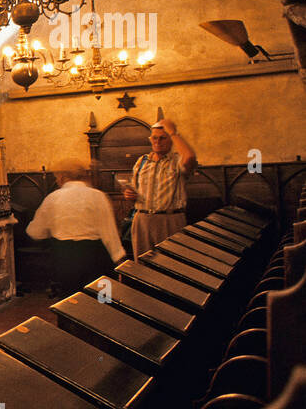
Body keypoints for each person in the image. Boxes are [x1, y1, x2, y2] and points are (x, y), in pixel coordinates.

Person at [26, 165, 126, 293]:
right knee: (102, 299)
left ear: (61, 177)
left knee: (71, 302)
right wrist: (118, 259)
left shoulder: (53, 198)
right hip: (95, 256)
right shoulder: (97, 196)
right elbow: (109, 232)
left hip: (65, 258)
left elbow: (35, 232)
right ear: (84, 176)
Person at [122, 117, 197, 258]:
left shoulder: (176, 160)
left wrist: (173, 132)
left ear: (171, 140)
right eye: (155, 138)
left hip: (170, 219)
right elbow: (135, 189)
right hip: (142, 220)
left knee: (172, 262)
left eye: (163, 138)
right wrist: (129, 195)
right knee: (143, 265)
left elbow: (190, 157)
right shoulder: (142, 161)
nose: (157, 142)